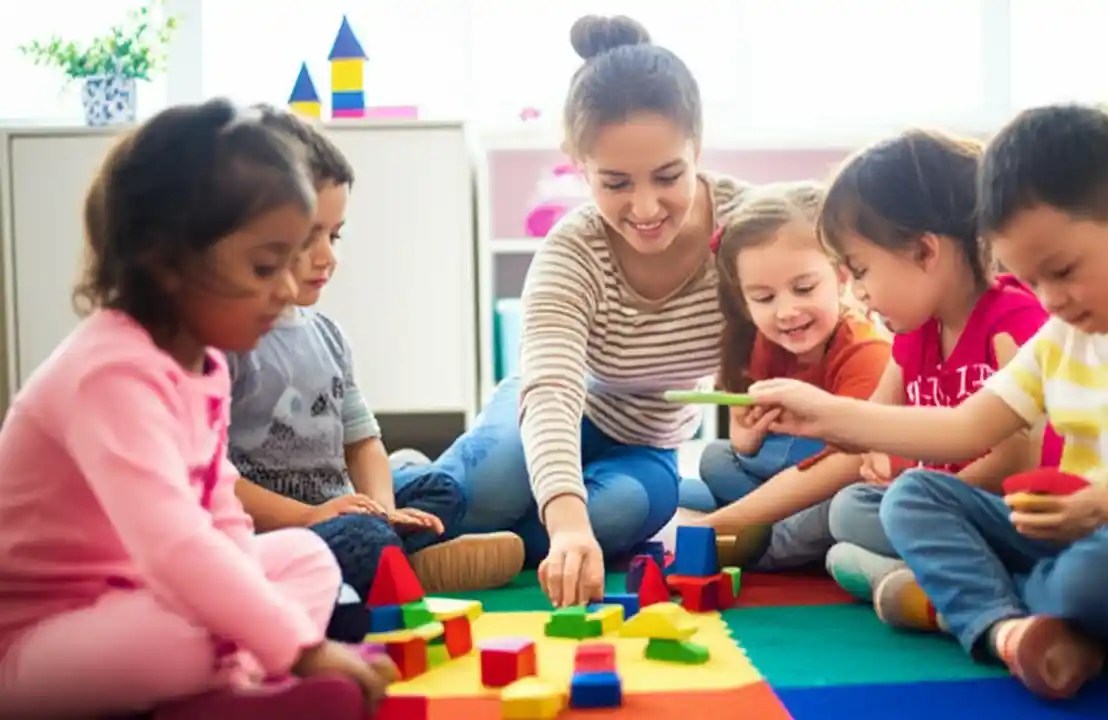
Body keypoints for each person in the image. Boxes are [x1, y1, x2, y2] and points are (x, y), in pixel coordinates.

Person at [748, 104, 1108, 700]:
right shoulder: (1065, 336)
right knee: (913, 495)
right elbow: (963, 428)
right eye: (1034, 280)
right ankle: (1006, 629)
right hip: (1079, 540)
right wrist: (823, 413)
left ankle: (961, 602)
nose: (1050, 300)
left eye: (1063, 271)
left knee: (1089, 574)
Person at [0, 99, 394, 719]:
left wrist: (270, 623)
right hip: (48, 636)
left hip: (149, 593)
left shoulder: (203, 367)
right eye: (267, 266)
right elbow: (175, 545)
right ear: (166, 265)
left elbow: (222, 514)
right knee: (191, 630)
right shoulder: (110, 373)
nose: (289, 290)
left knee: (307, 559)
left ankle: (232, 683)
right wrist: (301, 647)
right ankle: (237, 683)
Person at [392, 14, 753, 607]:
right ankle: (411, 485)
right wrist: (563, 525)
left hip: (646, 448)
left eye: (668, 176)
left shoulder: (745, 230)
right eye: (615, 183)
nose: (645, 207)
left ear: (698, 146)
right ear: (576, 161)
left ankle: (478, 545)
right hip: (556, 410)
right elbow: (554, 389)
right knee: (485, 490)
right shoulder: (572, 250)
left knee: (620, 515)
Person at [227, 106, 523, 604]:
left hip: (345, 505)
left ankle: (394, 560)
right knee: (363, 541)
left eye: (333, 234)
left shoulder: (327, 335)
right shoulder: (227, 343)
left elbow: (363, 443)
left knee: (440, 490)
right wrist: (310, 516)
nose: (327, 257)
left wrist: (385, 507)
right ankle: (399, 566)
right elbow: (212, 481)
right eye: (308, 238)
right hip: (283, 529)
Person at [811, 130, 1060, 630]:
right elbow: (870, 427)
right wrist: (874, 453)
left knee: (897, 508)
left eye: (861, 271)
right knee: (847, 514)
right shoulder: (917, 333)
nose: (858, 293)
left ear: (925, 252)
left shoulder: (1012, 323)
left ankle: (956, 591)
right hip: (945, 506)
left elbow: (1018, 455)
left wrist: (930, 498)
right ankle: (926, 580)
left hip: (1021, 515)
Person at [678, 181, 890, 570]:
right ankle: (768, 527)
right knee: (715, 458)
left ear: (841, 276)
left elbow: (849, 460)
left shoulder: (866, 350)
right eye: (764, 298)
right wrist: (746, 437)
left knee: (837, 508)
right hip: (788, 470)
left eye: (804, 288)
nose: (787, 311)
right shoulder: (766, 342)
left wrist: (729, 520)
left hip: (840, 472)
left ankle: (767, 544)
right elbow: (746, 444)